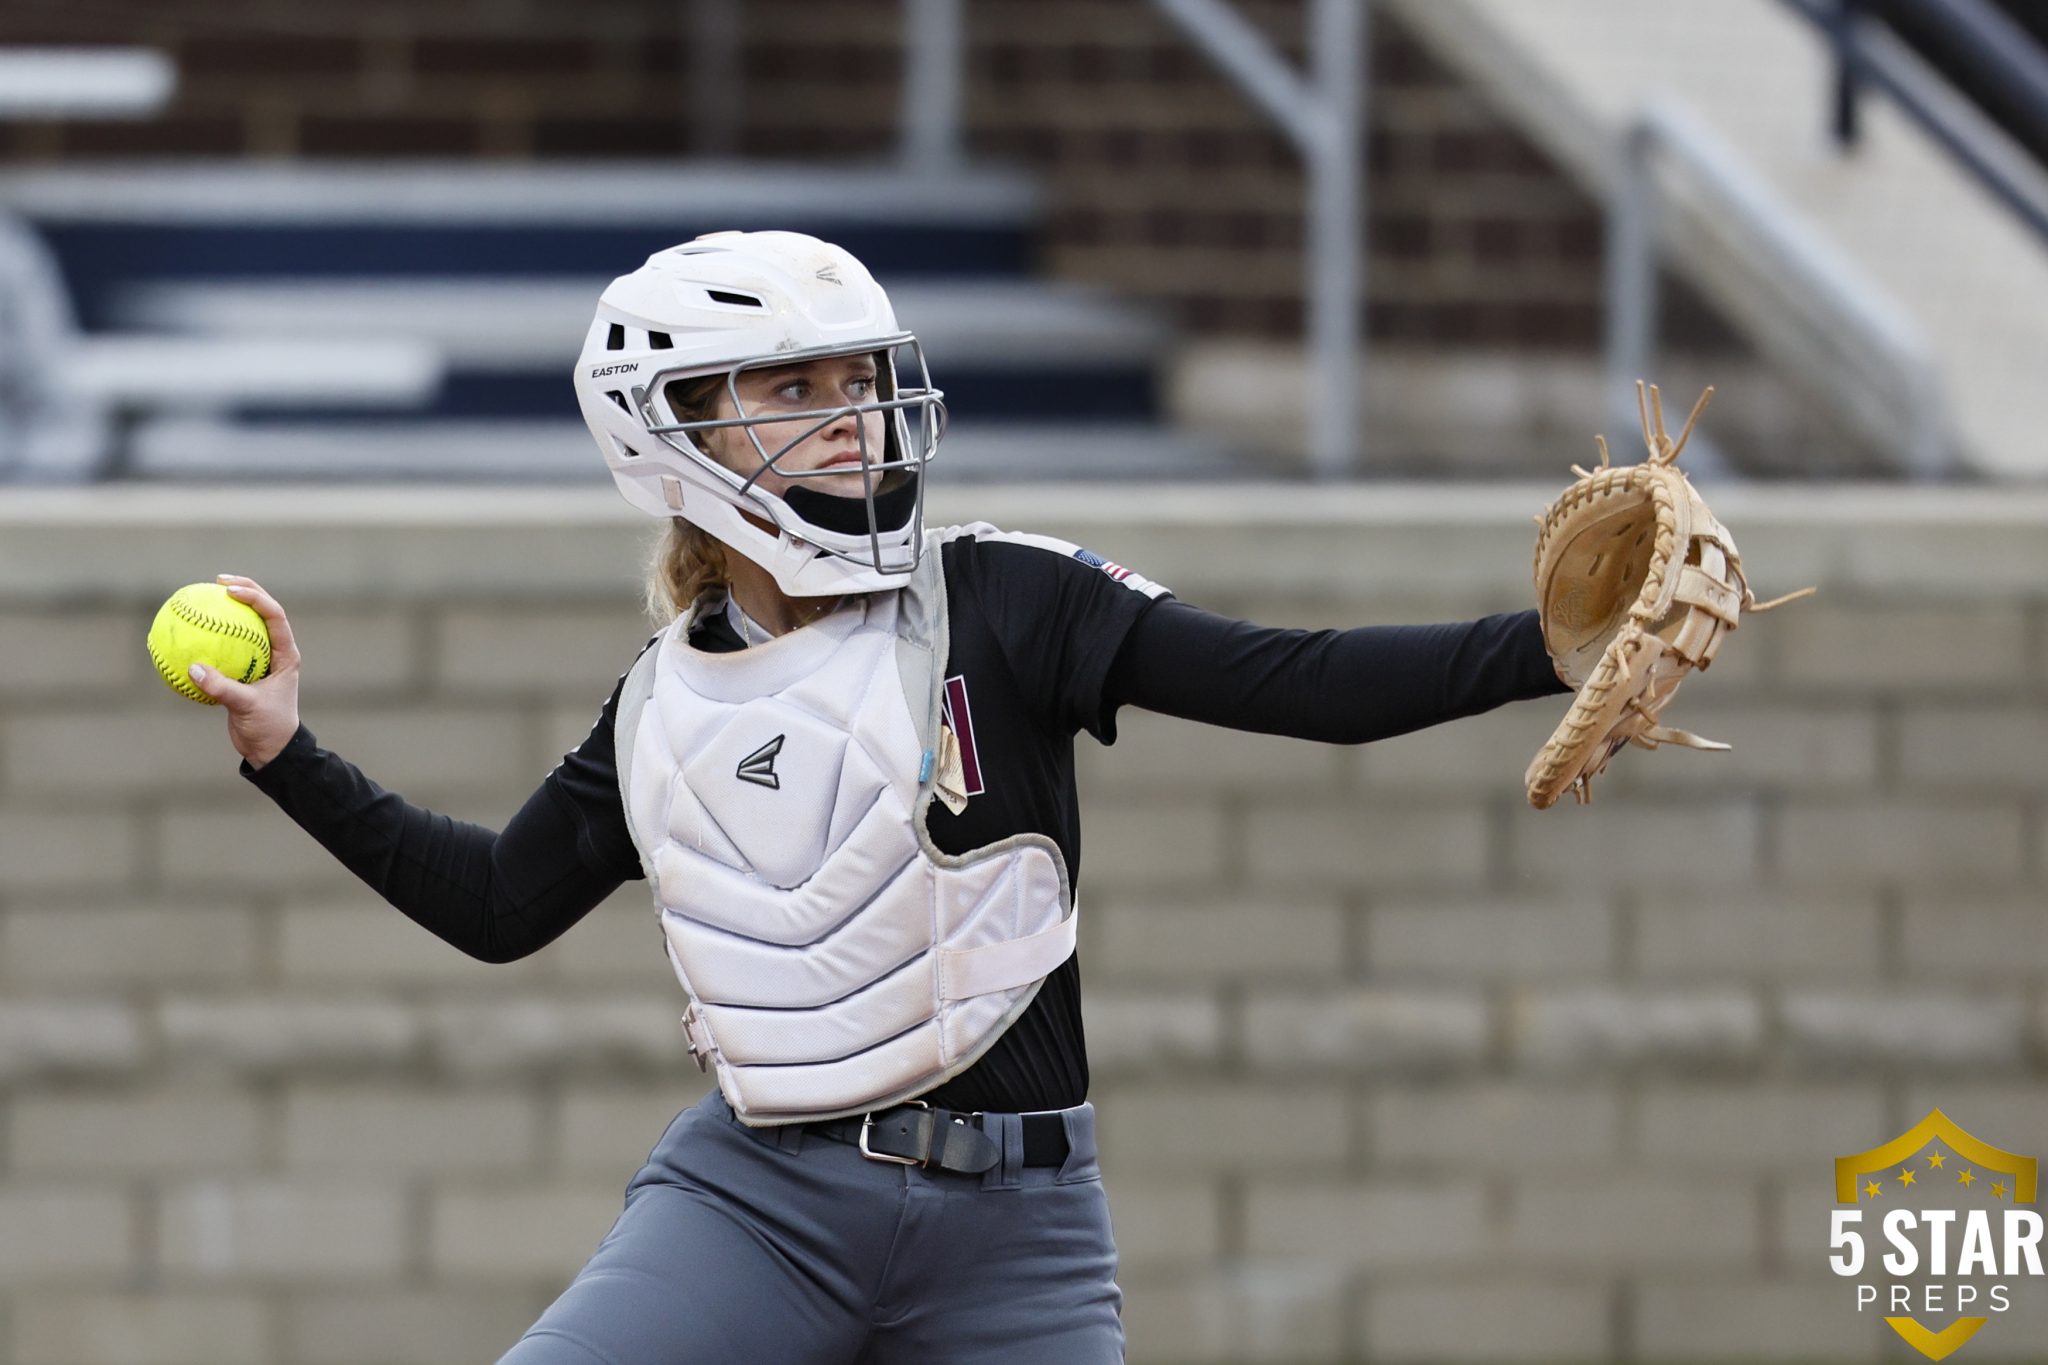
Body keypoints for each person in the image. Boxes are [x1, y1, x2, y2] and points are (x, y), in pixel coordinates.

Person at [197, 230, 1570, 1364]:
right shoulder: (663, 701)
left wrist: (1549, 643)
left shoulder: (1007, 597)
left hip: (1017, 1236)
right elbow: (499, 903)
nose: (854, 416)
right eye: (794, 391)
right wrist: (287, 750)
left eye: (862, 377)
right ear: (671, 433)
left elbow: (1298, 680)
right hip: (757, 1208)